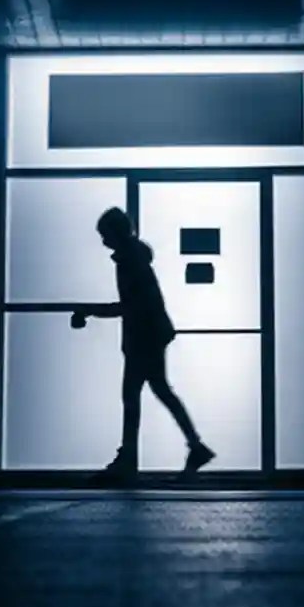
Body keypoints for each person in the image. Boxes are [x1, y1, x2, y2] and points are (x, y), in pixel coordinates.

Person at [72, 206, 216, 484]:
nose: (103, 241)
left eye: (105, 235)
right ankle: (192, 447)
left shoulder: (129, 261)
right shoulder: (135, 257)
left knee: (134, 396)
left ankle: (129, 460)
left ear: (116, 233)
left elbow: (130, 306)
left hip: (144, 337)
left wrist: (89, 310)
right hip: (150, 335)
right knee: (156, 391)